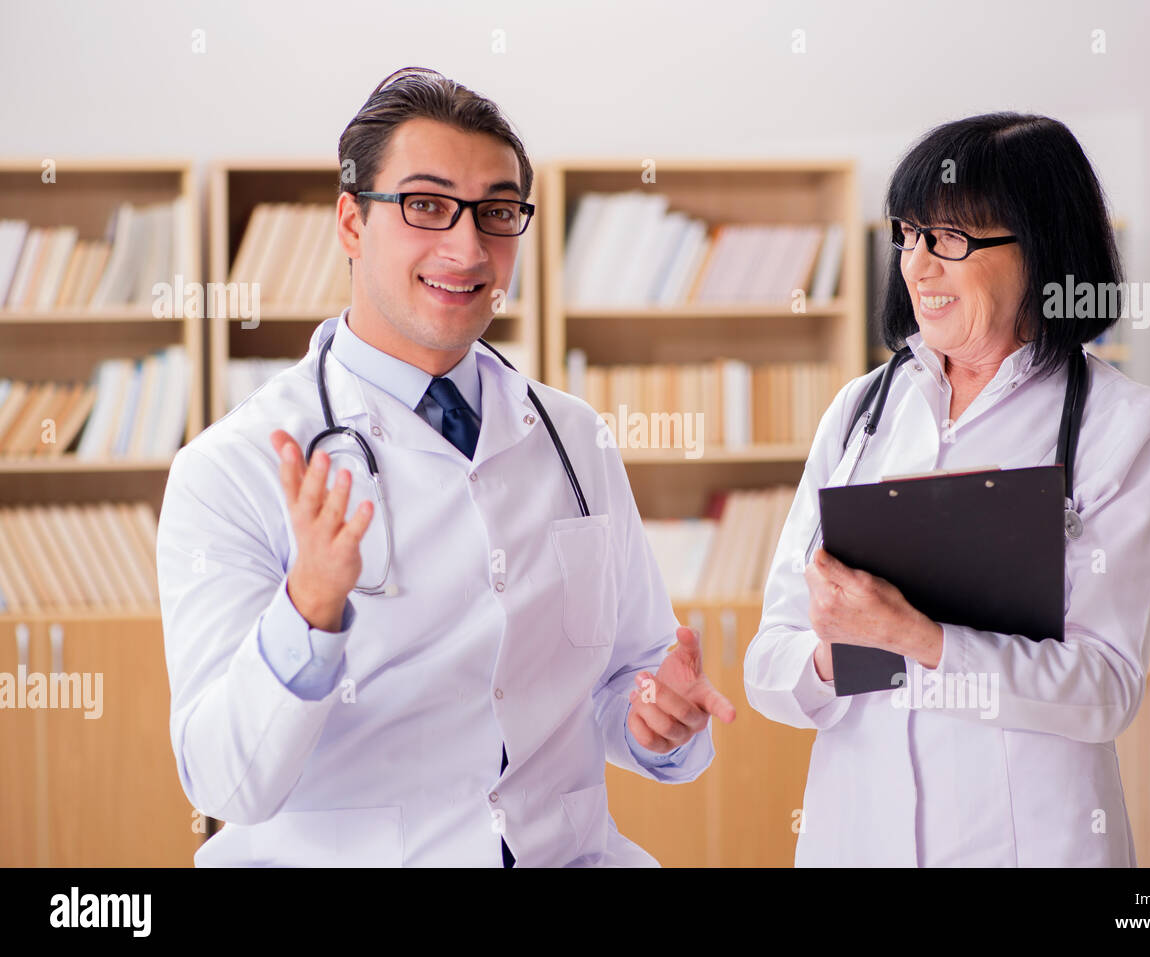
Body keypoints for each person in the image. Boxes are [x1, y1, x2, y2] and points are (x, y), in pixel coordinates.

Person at [157, 66, 734, 867]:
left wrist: (655, 720)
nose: (467, 248)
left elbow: (629, 676)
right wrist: (309, 609)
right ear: (352, 223)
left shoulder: (573, 439)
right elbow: (227, 784)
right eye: (426, 206)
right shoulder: (230, 469)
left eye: (497, 213)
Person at [744, 112, 1150, 866]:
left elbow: (1105, 687)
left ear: (1042, 248)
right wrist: (830, 651)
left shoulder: (1123, 426)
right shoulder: (860, 411)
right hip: (858, 838)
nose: (918, 266)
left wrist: (916, 637)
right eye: (910, 235)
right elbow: (767, 664)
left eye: (950, 240)